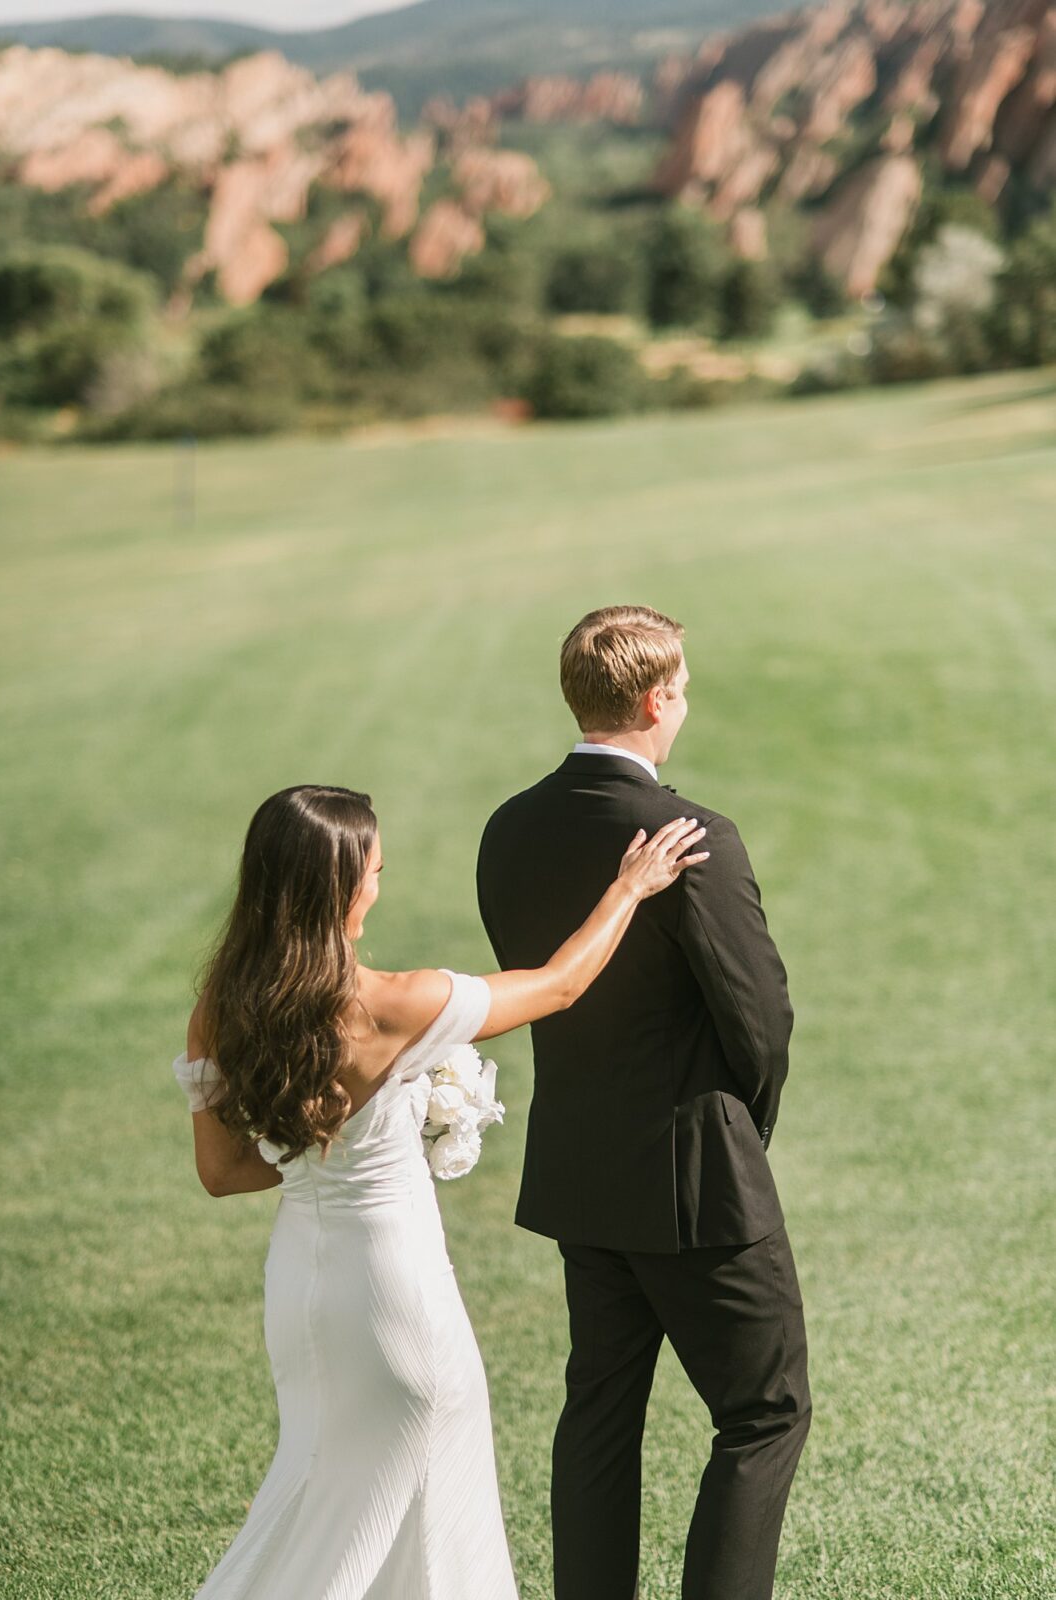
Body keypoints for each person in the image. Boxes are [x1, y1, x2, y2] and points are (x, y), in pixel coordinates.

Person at [172, 783, 707, 1600]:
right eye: (375, 871)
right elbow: (560, 985)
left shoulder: (221, 1007)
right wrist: (629, 887)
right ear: (342, 888)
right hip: (396, 1293)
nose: (379, 886)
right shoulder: (395, 1003)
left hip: (301, 1292)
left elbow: (222, 1171)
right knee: (430, 1509)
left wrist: (326, 1153)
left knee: (317, 1489)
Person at [477, 605, 811, 1600]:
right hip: (698, 1180)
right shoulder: (690, 835)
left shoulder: (510, 828)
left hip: (582, 1173)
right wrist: (744, 1130)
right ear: (658, 697)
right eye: (686, 688)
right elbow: (760, 1020)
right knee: (764, 1412)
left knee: (599, 1416)